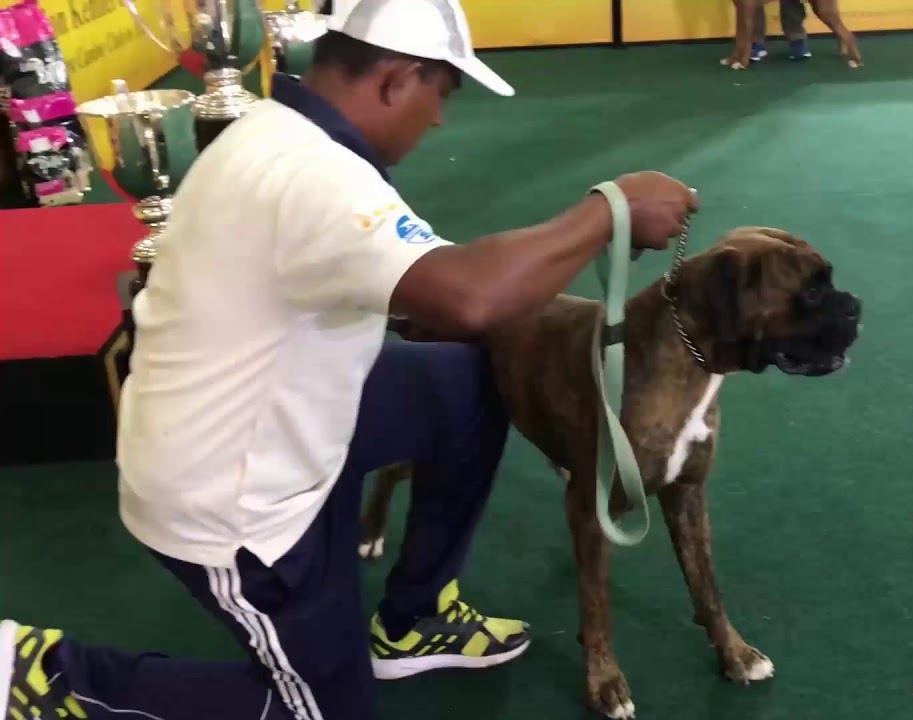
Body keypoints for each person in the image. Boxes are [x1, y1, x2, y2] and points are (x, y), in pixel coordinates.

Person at [0, 0, 697, 717]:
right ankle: (53, 674)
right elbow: (468, 299)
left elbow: (412, 286)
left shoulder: (279, 131)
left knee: (468, 383)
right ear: (396, 79)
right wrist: (608, 209)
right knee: (329, 712)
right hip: (230, 498)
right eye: (441, 94)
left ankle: (412, 620)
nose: (438, 121)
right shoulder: (311, 174)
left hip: (261, 407)